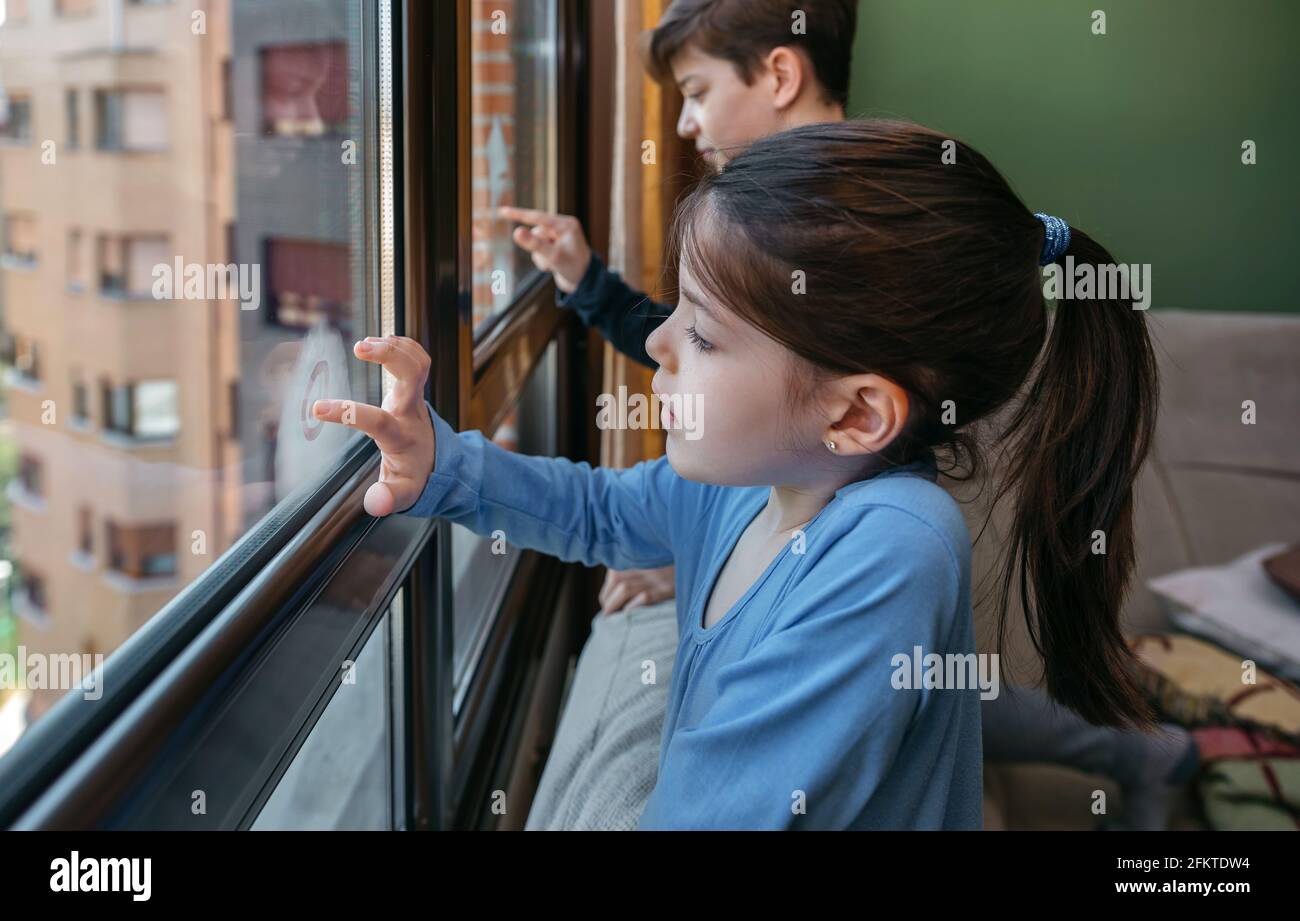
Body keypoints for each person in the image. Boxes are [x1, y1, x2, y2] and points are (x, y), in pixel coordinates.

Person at [315, 119, 1182, 829]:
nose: (655, 343)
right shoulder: (737, 484)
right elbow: (595, 510)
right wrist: (446, 463)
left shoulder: (895, 546)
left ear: (853, 415)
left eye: (699, 332)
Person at [503, 0, 1200, 828]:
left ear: (780, 75)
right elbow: (706, 354)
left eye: (695, 92)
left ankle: (1134, 750)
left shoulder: (835, 222)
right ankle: (1135, 749)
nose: (686, 123)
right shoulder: (769, 216)